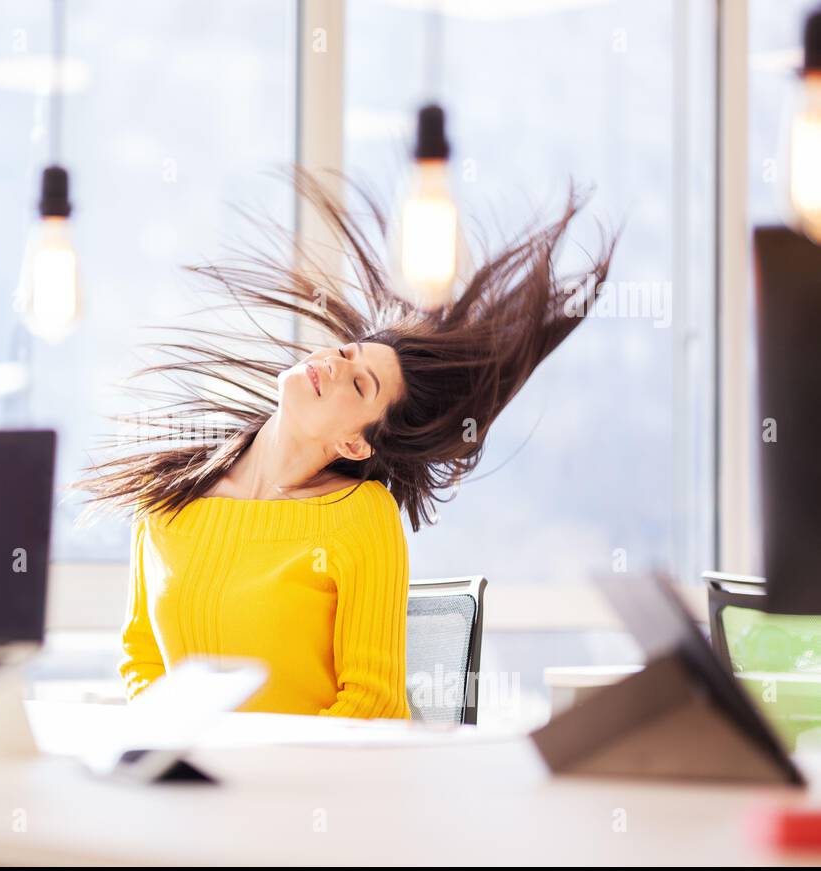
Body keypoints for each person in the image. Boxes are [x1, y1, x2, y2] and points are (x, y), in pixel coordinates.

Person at [80, 171, 614, 718]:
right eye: (350, 353)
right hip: (193, 788)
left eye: (360, 385)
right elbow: (141, 658)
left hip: (319, 793)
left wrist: (267, 781)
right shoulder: (173, 496)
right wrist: (177, 756)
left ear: (356, 445)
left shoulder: (358, 518)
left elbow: (372, 702)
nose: (336, 363)